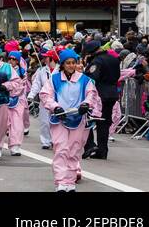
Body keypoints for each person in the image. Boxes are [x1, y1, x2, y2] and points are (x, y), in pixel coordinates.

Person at [40, 48, 102, 192]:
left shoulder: (84, 79)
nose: (71, 65)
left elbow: (92, 94)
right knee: (61, 149)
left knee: (74, 150)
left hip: (78, 119)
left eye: (73, 63)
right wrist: (55, 107)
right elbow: (45, 95)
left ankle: (70, 181)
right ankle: (61, 182)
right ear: (62, 64)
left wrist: (85, 104)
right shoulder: (54, 79)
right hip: (59, 119)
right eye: (68, 63)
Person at [83, 38, 121, 160]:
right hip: (112, 94)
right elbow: (118, 75)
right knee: (104, 123)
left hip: (99, 95)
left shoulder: (97, 61)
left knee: (88, 119)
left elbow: (92, 78)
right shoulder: (114, 59)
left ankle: (90, 146)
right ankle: (102, 150)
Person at [27, 46, 58, 150]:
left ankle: (56, 140)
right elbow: (36, 84)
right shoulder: (41, 70)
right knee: (44, 121)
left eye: (46, 57)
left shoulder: (60, 70)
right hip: (44, 100)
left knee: (57, 121)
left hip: (57, 99)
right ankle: (46, 141)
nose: (44, 59)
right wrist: (31, 95)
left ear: (52, 58)